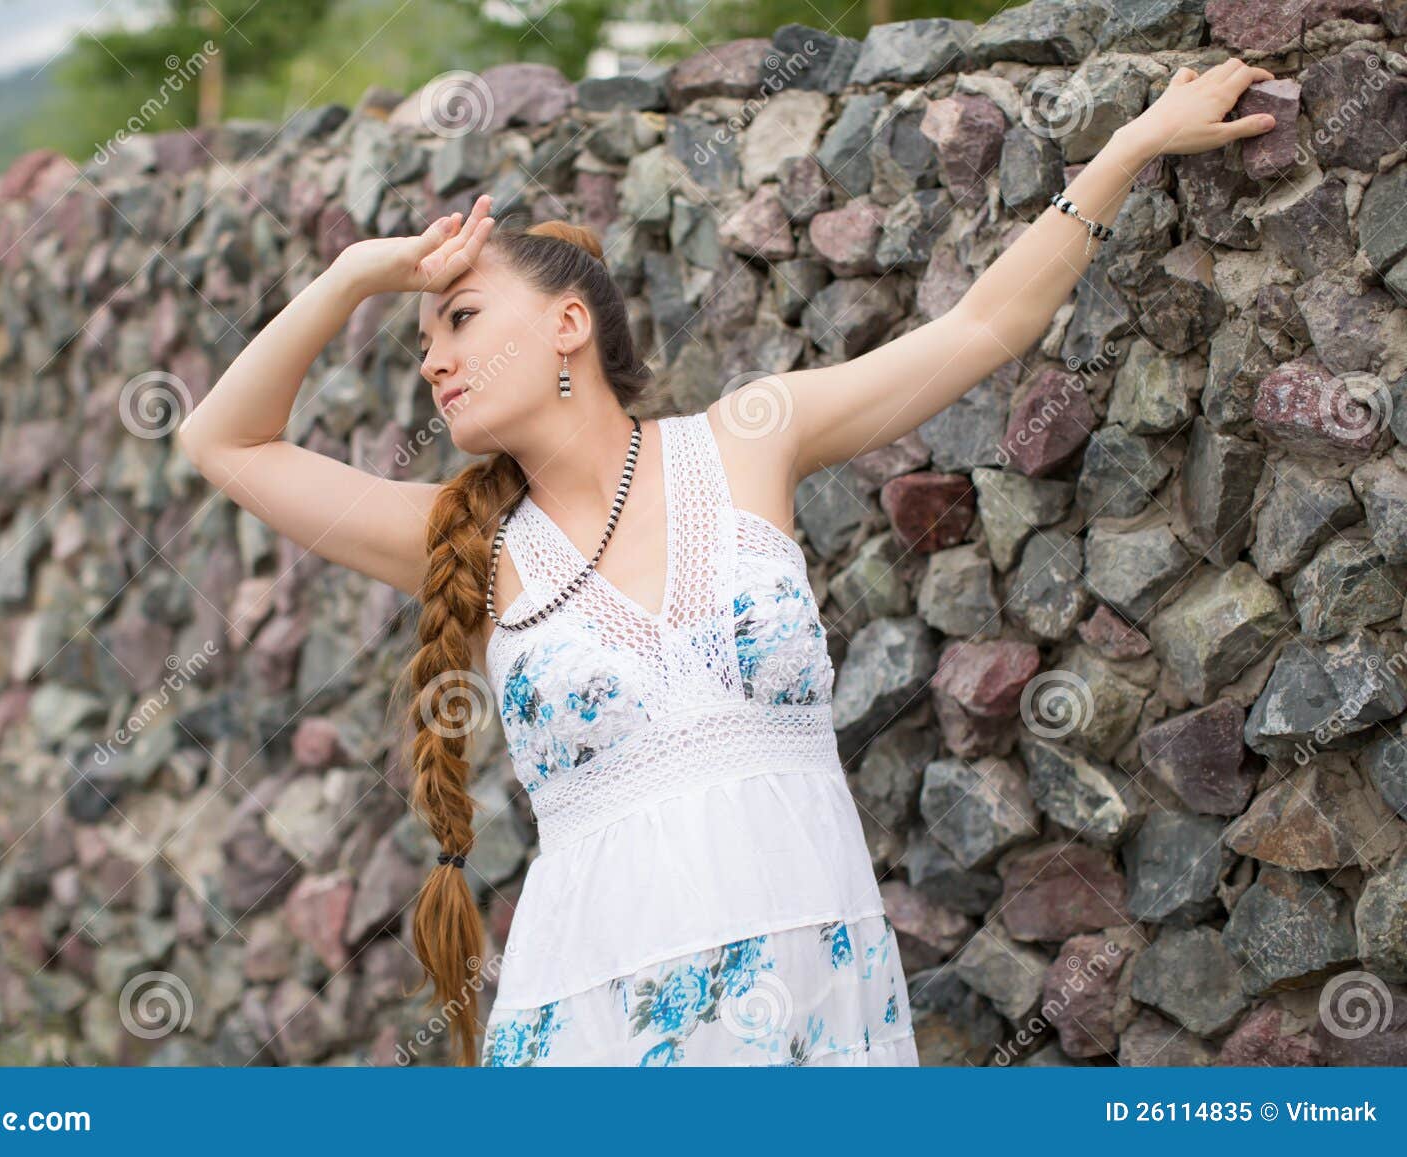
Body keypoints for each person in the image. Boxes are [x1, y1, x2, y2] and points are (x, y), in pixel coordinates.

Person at [178, 58, 1278, 1066]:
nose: (434, 360)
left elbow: (982, 326)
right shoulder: (476, 545)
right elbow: (225, 441)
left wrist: (1132, 142)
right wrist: (352, 276)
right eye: (422, 341)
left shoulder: (746, 440)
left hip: (819, 1005)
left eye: (459, 319)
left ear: (568, 324)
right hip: (595, 1030)